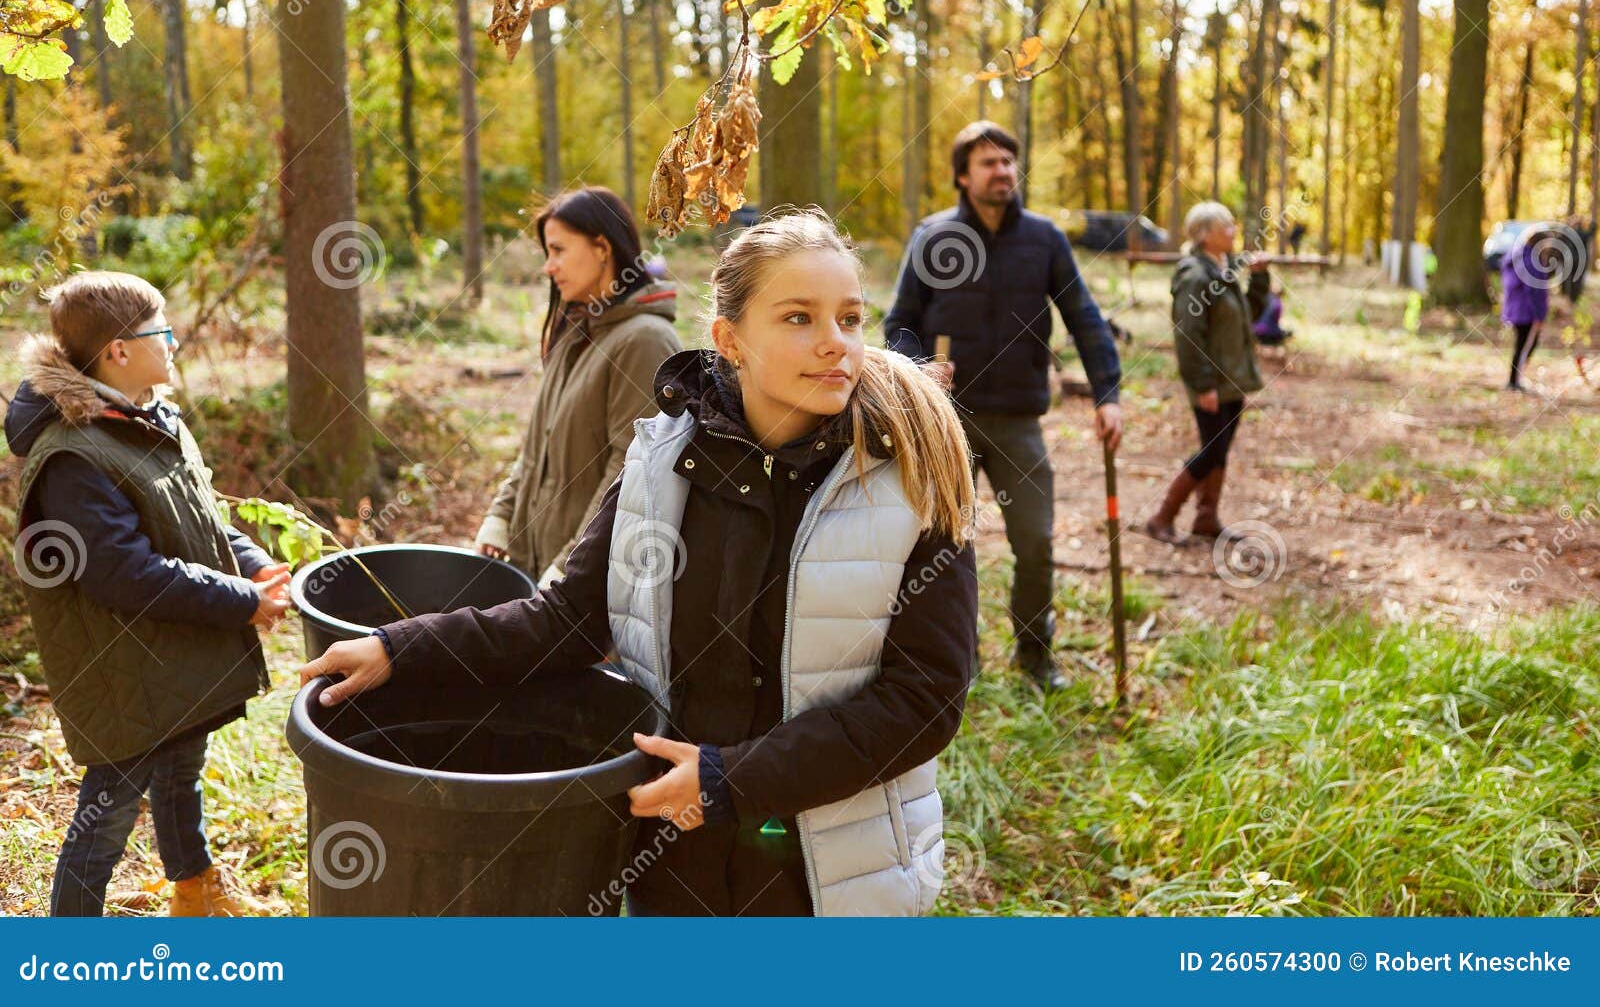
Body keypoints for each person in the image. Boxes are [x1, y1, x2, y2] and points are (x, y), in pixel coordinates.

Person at [301, 211, 979, 917]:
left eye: (849, 318)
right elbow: (565, 620)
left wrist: (729, 780)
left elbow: (923, 699)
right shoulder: (661, 466)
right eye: (799, 318)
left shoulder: (913, 476)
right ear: (730, 339)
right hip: (672, 860)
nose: (835, 344)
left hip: (835, 879)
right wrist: (398, 647)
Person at [4, 272, 289, 917]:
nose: (174, 343)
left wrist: (253, 565)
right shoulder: (75, 454)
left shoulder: (150, 418)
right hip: (121, 666)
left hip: (170, 652)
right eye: (162, 332)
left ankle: (194, 893)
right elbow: (122, 571)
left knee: (182, 770)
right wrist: (240, 600)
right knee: (109, 810)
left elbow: (199, 520)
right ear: (118, 351)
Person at [883, 121, 1122, 691]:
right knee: (938, 548)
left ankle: (1036, 658)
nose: (1004, 172)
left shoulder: (1044, 239)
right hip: (947, 424)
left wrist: (1108, 395)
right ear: (963, 176)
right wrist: (917, 376)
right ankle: (950, 660)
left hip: (1018, 421)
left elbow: (1084, 317)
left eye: (1010, 162)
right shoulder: (933, 235)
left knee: (1035, 542)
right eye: (989, 163)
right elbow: (900, 325)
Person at [475, 188, 680, 583]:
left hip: (587, 590)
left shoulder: (644, 341)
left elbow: (631, 473)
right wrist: (501, 517)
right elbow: (538, 444)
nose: (548, 267)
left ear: (602, 248)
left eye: (558, 250)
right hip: (538, 575)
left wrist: (571, 565)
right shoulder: (575, 332)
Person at [1144, 202, 1264, 544]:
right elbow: (1187, 334)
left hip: (1232, 380)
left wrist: (1260, 278)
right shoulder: (1195, 276)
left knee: (1220, 450)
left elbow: (1247, 316)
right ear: (1204, 235)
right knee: (1212, 449)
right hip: (1211, 382)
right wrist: (1203, 383)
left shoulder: (1221, 270)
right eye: (1225, 226)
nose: (1233, 230)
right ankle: (1162, 517)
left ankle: (1206, 519)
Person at [1502, 224, 1558, 392]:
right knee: (1525, 345)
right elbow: (1533, 290)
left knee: (1523, 344)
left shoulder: (1518, 256)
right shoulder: (1531, 261)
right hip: (1526, 310)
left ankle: (1515, 379)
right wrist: (1539, 314)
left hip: (1517, 308)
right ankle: (1514, 381)